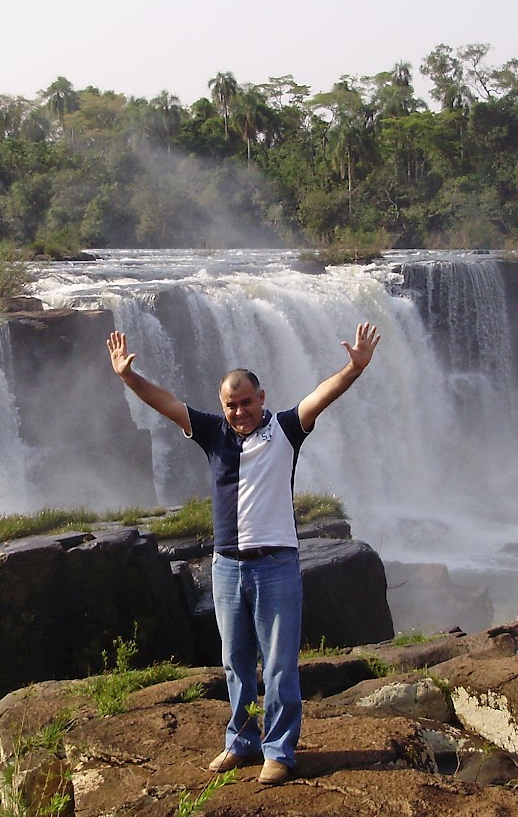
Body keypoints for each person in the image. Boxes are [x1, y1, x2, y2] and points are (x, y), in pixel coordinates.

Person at [106, 321, 380, 785]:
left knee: (277, 663)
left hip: (276, 564)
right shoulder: (212, 434)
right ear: (223, 407)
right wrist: (129, 377)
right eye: (231, 405)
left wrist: (353, 370)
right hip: (227, 566)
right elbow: (168, 404)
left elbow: (322, 395)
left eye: (246, 402)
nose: (239, 412)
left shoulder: (288, 430)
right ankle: (240, 742)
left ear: (262, 398)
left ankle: (279, 750)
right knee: (235, 661)